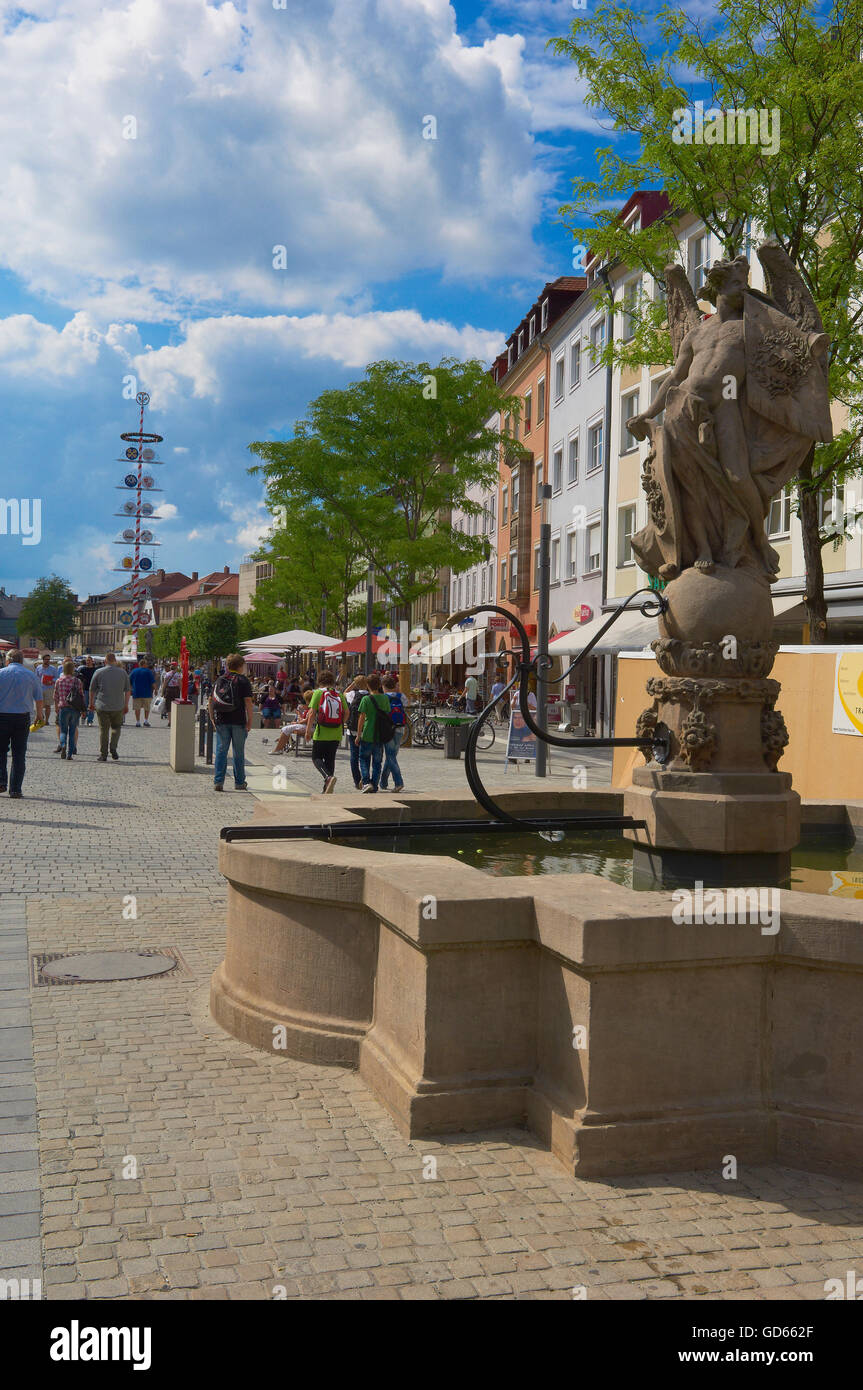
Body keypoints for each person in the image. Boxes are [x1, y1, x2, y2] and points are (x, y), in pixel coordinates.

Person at [0, 650, 45, 797]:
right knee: (19, 754)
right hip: (22, 718)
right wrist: (39, 715)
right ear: (22, 661)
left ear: (7, 660)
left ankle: (1, 782)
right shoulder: (30, 675)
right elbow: (39, 698)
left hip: (2, 717)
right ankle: (15, 789)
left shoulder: (1, 673)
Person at [208, 652, 253, 791]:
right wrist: (250, 720)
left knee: (221, 750)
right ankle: (239, 782)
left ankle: (218, 782)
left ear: (227, 665)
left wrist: (211, 717)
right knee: (238, 752)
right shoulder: (243, 680)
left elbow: (211, 699)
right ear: (241, 666)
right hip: (238, 720)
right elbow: (248, 702)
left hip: (222, 719)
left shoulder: (220, 679)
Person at [306, 669, 346, 794]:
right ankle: (327, 788)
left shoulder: (318, 693)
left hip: (322, 731)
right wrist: (340, 724)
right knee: (330, 759)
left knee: (316, 757)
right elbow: (347, 712)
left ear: (319, 681)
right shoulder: (339, 694)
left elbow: (312, 713)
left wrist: (308, 730)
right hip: (336, 732)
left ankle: (328, 778)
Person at [89, 652, 131, 761]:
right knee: (116, 728)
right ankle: (113, 748)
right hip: (118, 706)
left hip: (102, 705)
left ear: (105, 661)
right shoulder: (123, 673)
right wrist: (126, 704)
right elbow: (127, 691)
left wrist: (91, 703)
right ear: (115, 660)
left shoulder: (99, 672)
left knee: (104, 730)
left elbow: (92, 689)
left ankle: (103, 754)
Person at [356, 673, 393, 793]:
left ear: (367, 685)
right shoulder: (385, 698)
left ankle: (366, 782)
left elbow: (361, 718)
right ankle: (375, 785)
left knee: (363, 759)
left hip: (367, 733)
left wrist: (358, 735)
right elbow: (387, 714)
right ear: (379, 685)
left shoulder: (366, 699)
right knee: (377, 762)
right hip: (380, 735)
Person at [379, 673, 406, 793]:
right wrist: (398, 689)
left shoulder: (383, 697)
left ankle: (398, 782)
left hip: (388, 730)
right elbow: (407, 704)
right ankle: (383, 781)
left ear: (384, 686)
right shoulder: (401, 696)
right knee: (392, 756)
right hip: (400, 728)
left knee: (390, 757)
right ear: (394, 685)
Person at [54, 659, 85, 760]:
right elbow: (81, 695)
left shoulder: (59, 681)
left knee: (63, 731)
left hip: (63, 707)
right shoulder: (77, 681)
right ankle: (69, 754)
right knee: (72, 731)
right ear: (73, 670)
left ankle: (63, 745)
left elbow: (56, 696)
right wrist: (84, 709)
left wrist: (56, 706)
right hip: (75, 709)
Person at [343, 674, 368, 790]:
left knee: (354, 756)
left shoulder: (352, 694)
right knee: (365, 756)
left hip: (352, 730)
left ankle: (357, 780)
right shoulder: (370, 696)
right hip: (366, 730)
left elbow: (344, 693)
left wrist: (353, 685)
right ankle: (366, 778)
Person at [130, 659, 156, 727]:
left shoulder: (134, 671)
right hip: (147, 693)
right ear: (144, 664)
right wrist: (156, 690)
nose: (147, 665)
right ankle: (146, 721)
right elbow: (153, 682)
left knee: (137, 708)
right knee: (147, 708)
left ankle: (138, 722)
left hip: (136, 692)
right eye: (146, 664)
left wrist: (130, 689)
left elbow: (129, 681)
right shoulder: (148, 671)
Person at [35, 653, 59, 727]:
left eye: (49, 659)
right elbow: (35, 678)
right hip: (40, 688)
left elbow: (57, 678)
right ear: (43, 660)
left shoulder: (53, 668)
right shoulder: (38, 668)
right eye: (46, 659)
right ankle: (41, 718)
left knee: (48, 705)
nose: (48, 661)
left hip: (49, 689)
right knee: (40, 705)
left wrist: (51, 681)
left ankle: (46, 720)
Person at [77, 655, 97, 725]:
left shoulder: (95, 670)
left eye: (89, 660)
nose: (87, 662)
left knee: (91, 705)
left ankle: (90, 720)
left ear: (92, 661)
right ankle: (83, 717)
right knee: (84, 705)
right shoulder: (82, 669)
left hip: (93, 690)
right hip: (84, 689)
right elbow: (79, 679)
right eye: (87, 660)